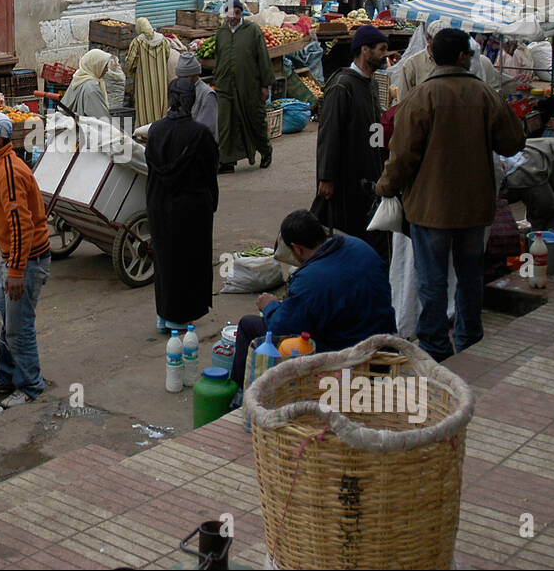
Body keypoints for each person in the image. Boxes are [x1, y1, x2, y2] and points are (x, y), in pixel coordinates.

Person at [376, 28, 526, 361]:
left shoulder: (419, 98)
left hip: (430, 211)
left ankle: (435, 347)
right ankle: (470, 340)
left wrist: (385, 187)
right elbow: (514, 141)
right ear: (461, 56)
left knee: (432, 282)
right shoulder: (485, 95)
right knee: (469, 277)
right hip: (474, 209)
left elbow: (400, 157)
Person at [228, 211, 396, 388]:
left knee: (248, 325)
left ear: (298, 248)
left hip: (347, 359)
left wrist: (269, 306)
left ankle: (239, 399)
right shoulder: (359, 246)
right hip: (385, 350)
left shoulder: (309, 279)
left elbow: (282, 328)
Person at [0, 110, 51, 409]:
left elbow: (21, 224)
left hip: (27, 261)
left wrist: (15, 271)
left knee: (18, 328)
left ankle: (30, 386)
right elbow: (9, 217)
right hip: (12, 255)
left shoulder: (9, 172)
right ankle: (5, 376)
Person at [146, 78, 219, 335]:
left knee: (165, 260)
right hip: (191, 208)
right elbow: (211, 172)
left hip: (159, 205)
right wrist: (212, 202)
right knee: (188, 261)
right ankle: (179, 318)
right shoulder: (200, 134)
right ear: (190, 100)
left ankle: (163, 315)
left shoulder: (155, 130)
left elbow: (151, 171)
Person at [315, 25, 389, 255]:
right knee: (348, 229)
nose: (385, 55)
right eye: (381, 49)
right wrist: (326, 177)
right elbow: (329, 133)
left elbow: (376, 123)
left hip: (370, 171)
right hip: (347, 173)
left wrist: (381, 158)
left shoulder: (371, 84)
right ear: (365, 51)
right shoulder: (342, 86)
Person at [214, 0, 274, 173]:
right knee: (226, 124)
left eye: (237, 13)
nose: (233, 17)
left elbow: (263, 58)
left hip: (249, 86)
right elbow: (218, 57)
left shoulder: (252, 30)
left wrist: (265, 85)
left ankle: (265, 150)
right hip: (225, 86)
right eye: (231, 13)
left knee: (255, 120)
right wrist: (217, 80)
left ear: (242, 13)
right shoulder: (221, 32)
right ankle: (226, 161)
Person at [124, 17, 172, 130]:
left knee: (145, 104)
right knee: (160, 102)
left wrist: (132, 71)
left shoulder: (137, 42)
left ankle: (144, 131)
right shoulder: (163, 40)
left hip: (144, 79)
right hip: (161, 79)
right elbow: (167, 55)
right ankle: (161, 129)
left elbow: (130, 61)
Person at [396, 22, 446, 104]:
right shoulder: (412, 64)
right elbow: (402, 101)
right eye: (438, 41)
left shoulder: (454, 62)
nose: (442, 45)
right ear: (428, 39)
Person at [174, 51, 218, 141]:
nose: (182, 80)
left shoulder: (207, 95)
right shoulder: (180, 89)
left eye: (186, 77)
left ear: (195, 74)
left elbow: (207, 129)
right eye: (179, 77)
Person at [60, 49, 113, 122]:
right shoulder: (91, 88)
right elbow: (102, 119)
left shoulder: (78, 77)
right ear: (96, 66)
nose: (107, 70)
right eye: (105, 66)